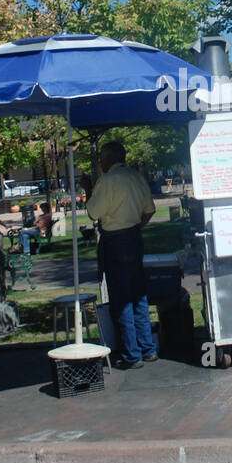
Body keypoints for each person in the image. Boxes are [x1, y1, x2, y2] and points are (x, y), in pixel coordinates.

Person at [87, 141, 157, 369]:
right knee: (138, 294)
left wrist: (89, 190)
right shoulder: (136, 176)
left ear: (106, 160)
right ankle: (148, 349)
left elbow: (92, 212)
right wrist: (135, 226)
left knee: (122, 297)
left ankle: (131, 354)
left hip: (116, 241)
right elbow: (149, 210)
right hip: (134, 237)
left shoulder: (107, 181)